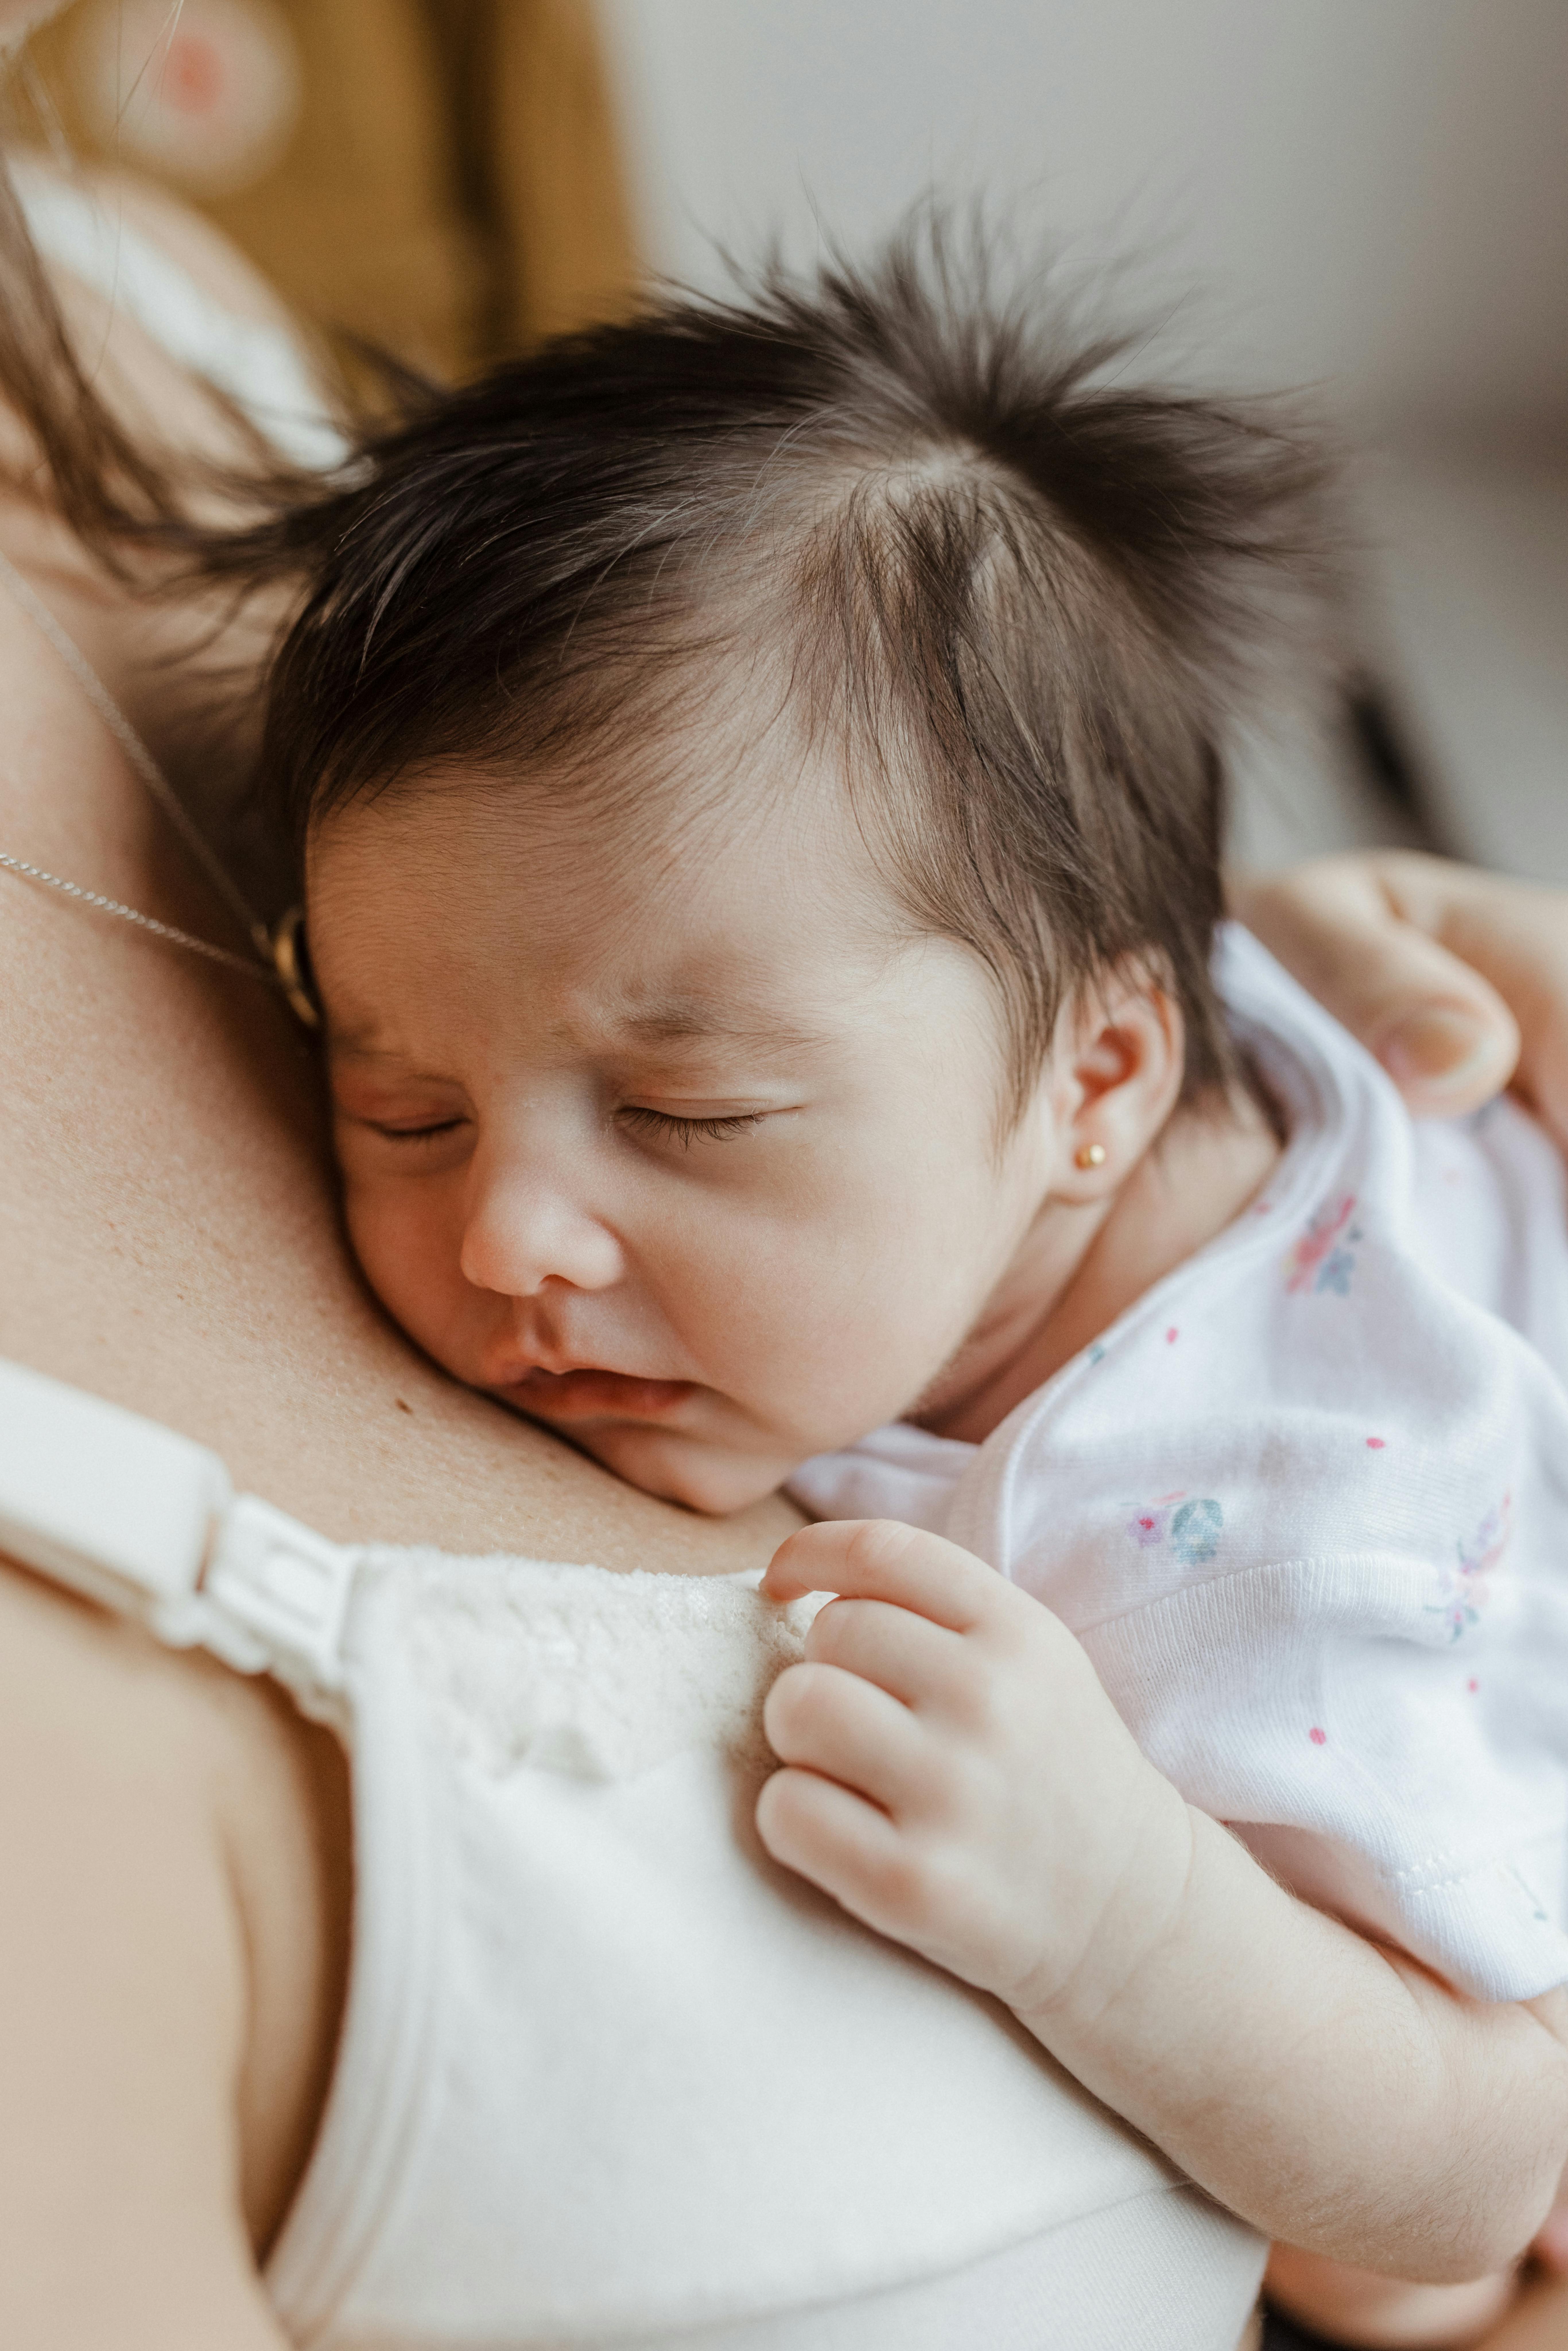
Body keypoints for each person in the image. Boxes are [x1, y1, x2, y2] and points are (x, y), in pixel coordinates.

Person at [0, 41, 1565, 2351]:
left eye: (692, 1117)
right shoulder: (911, 1016)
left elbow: (1450, 2207)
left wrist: (1128, 1918)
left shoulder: (1251, 1535)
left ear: (1100, 1077)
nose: (508, 1236)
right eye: (395, 1104)